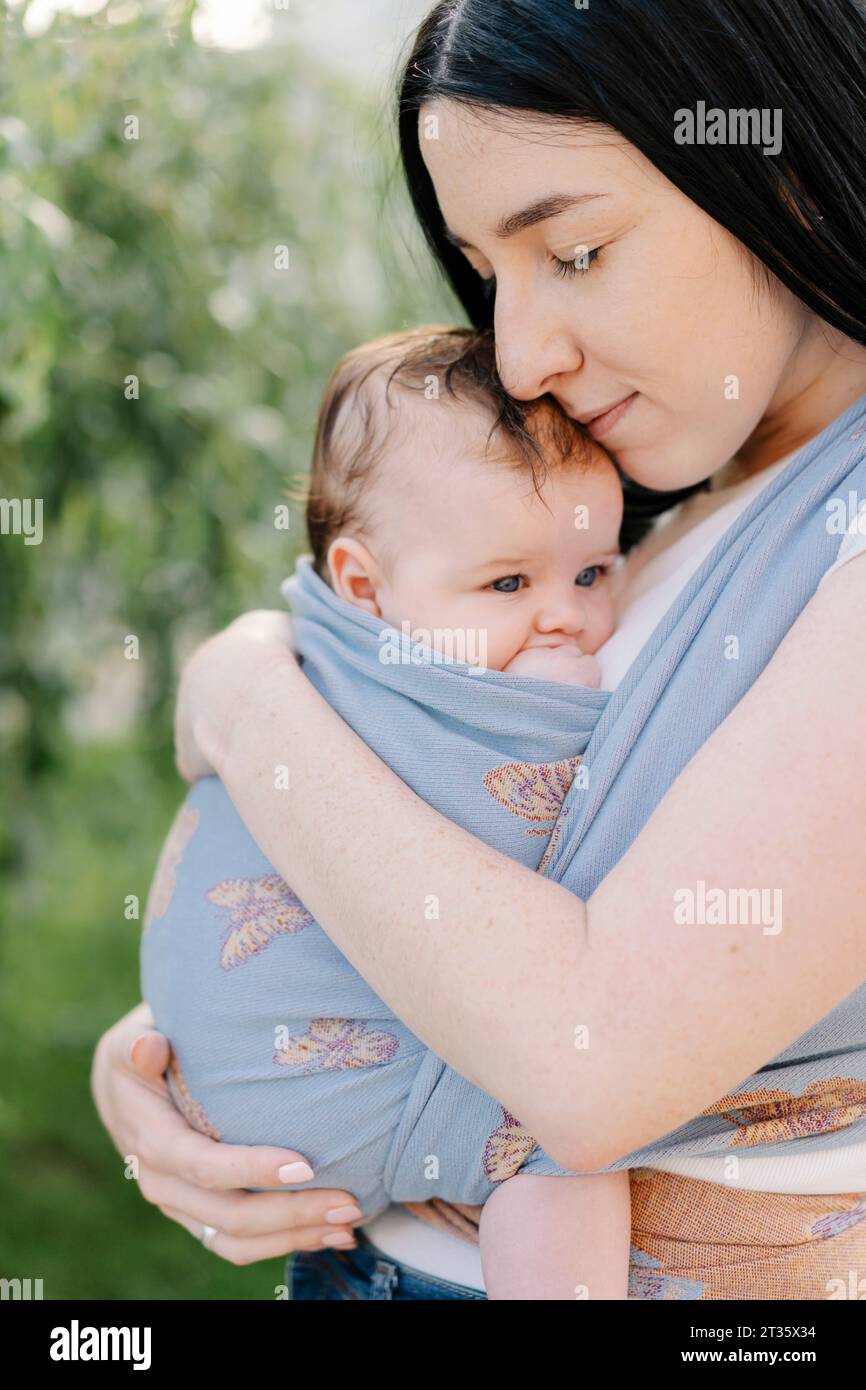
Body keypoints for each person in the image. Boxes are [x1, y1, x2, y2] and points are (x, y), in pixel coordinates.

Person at [92, 0, 866, 1299]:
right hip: (357, 1255)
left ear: (774, 162)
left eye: (571, 250)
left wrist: (242, 700)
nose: (520, 352)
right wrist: (226, 1042)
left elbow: (590, 1061)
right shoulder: (650, 479)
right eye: (487, 271)